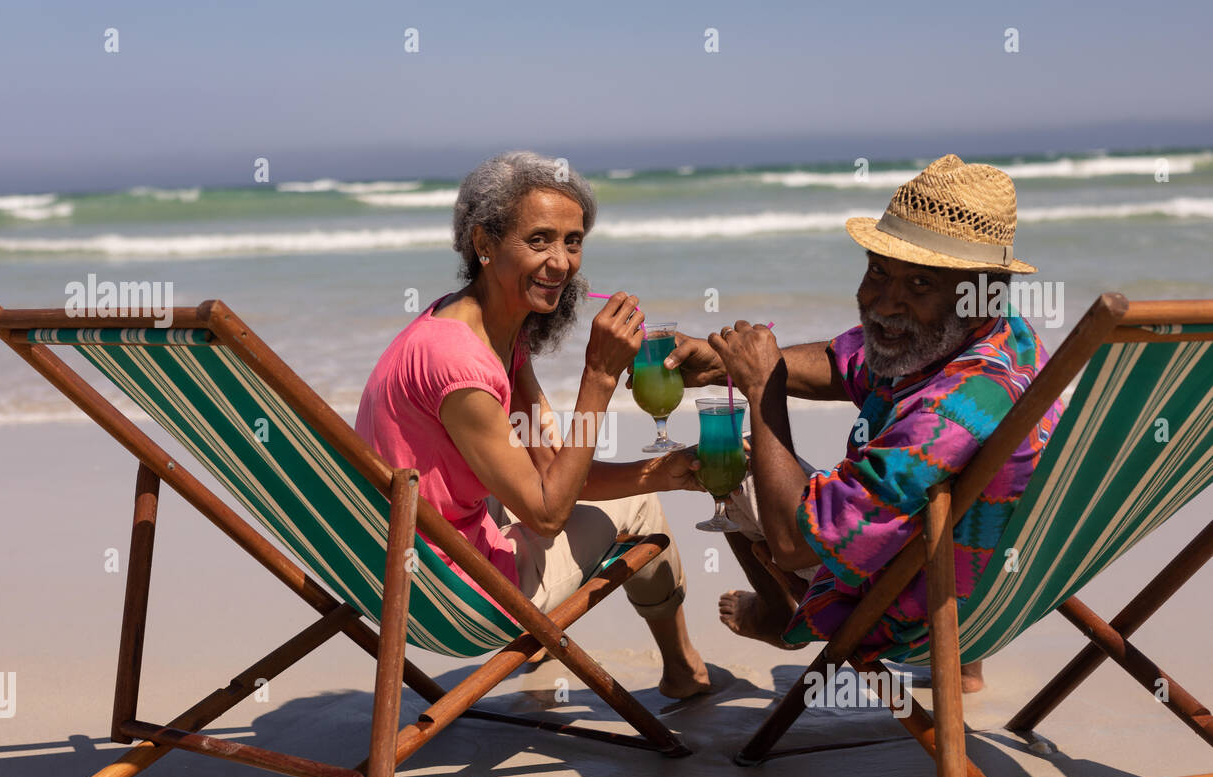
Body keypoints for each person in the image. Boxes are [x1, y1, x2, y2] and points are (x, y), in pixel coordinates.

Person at [661, 154, 1064, 691]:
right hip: (997, 586)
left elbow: (794, 544)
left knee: (726, 458)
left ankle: (787, 615)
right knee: (950, 495)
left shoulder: (947, 417)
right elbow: (844, 360)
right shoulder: (1002, 338)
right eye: (879, 270)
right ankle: (964, 663)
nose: (883, 301)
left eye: (920, 283)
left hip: (913, 606)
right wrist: (721, 367)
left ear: (980, 291)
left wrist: (761, 390)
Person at [356, 150, 712, 698]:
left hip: (401, 554)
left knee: (640, 490)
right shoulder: (461, 363)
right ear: (484, 243)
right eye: (539, 239)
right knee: (644, 513)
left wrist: (664, 469)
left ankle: (558, 644)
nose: (563, 262)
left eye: (573, 241)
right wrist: (598, 377)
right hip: (449, 590)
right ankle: (684, 671)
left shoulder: (476, 325)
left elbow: (550, 467)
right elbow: (547, 513)